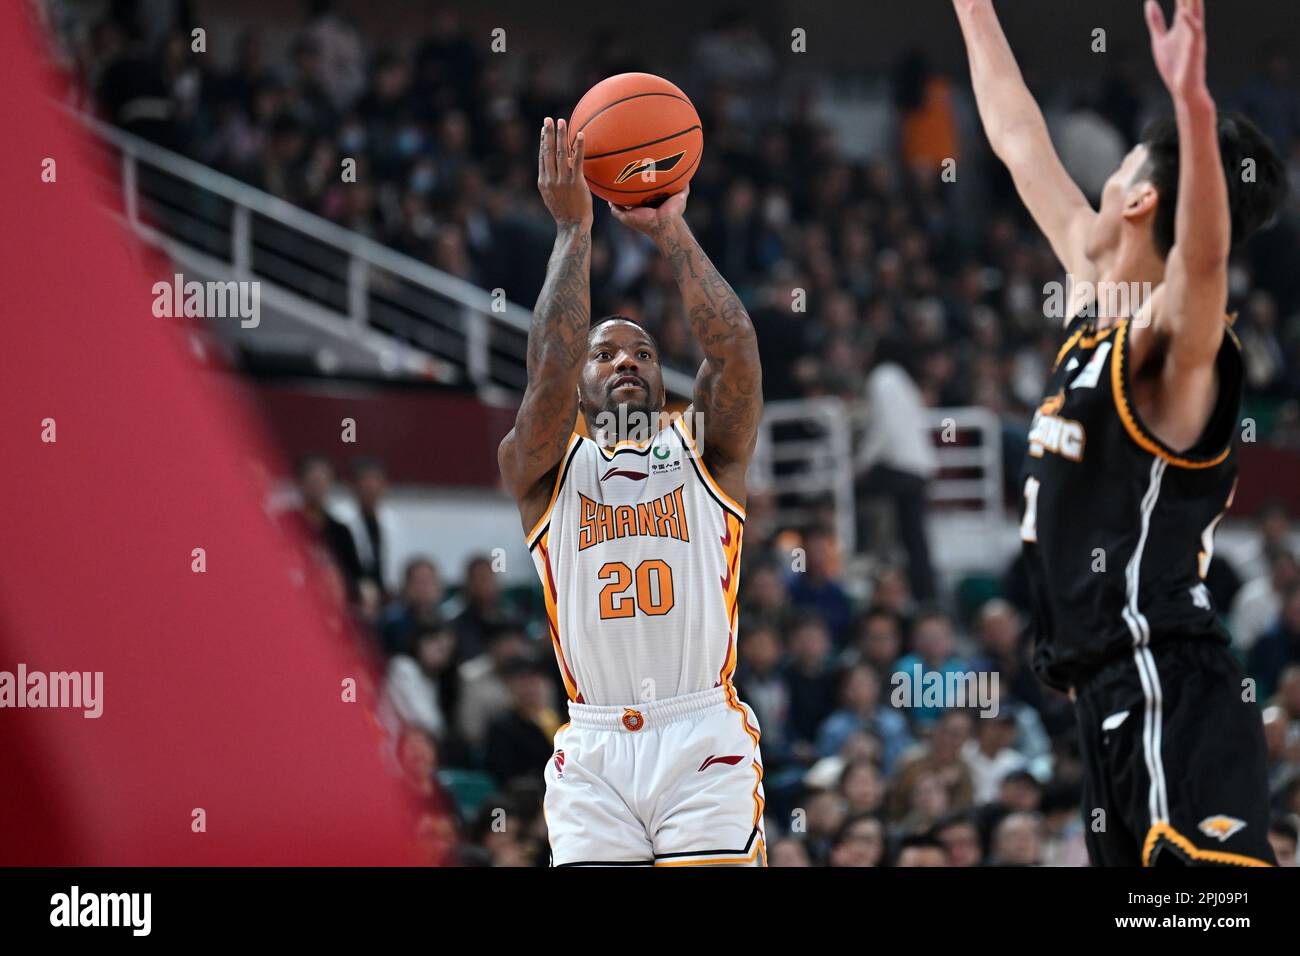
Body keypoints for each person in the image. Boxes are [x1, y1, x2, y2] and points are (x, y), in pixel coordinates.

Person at [954, 0, 1288, 866]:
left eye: (1123, 162)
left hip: (1169, 689)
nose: (1094, 173)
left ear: (1139, 198)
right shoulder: (1096, 295)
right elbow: (1016, 134)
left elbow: (1203, 262)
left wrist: (1195, 109)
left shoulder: (1173, 349)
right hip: (1105, 698)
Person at [497, 117, 766, 866]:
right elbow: (547, 366)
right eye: (605, 352)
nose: (626, 361)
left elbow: (735, 347)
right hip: (593, 749)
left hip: (700, 737)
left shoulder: (705, 448)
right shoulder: (543, 466)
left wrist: (671, 230)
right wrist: (572, 232)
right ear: (581, 386)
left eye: (642, 352)